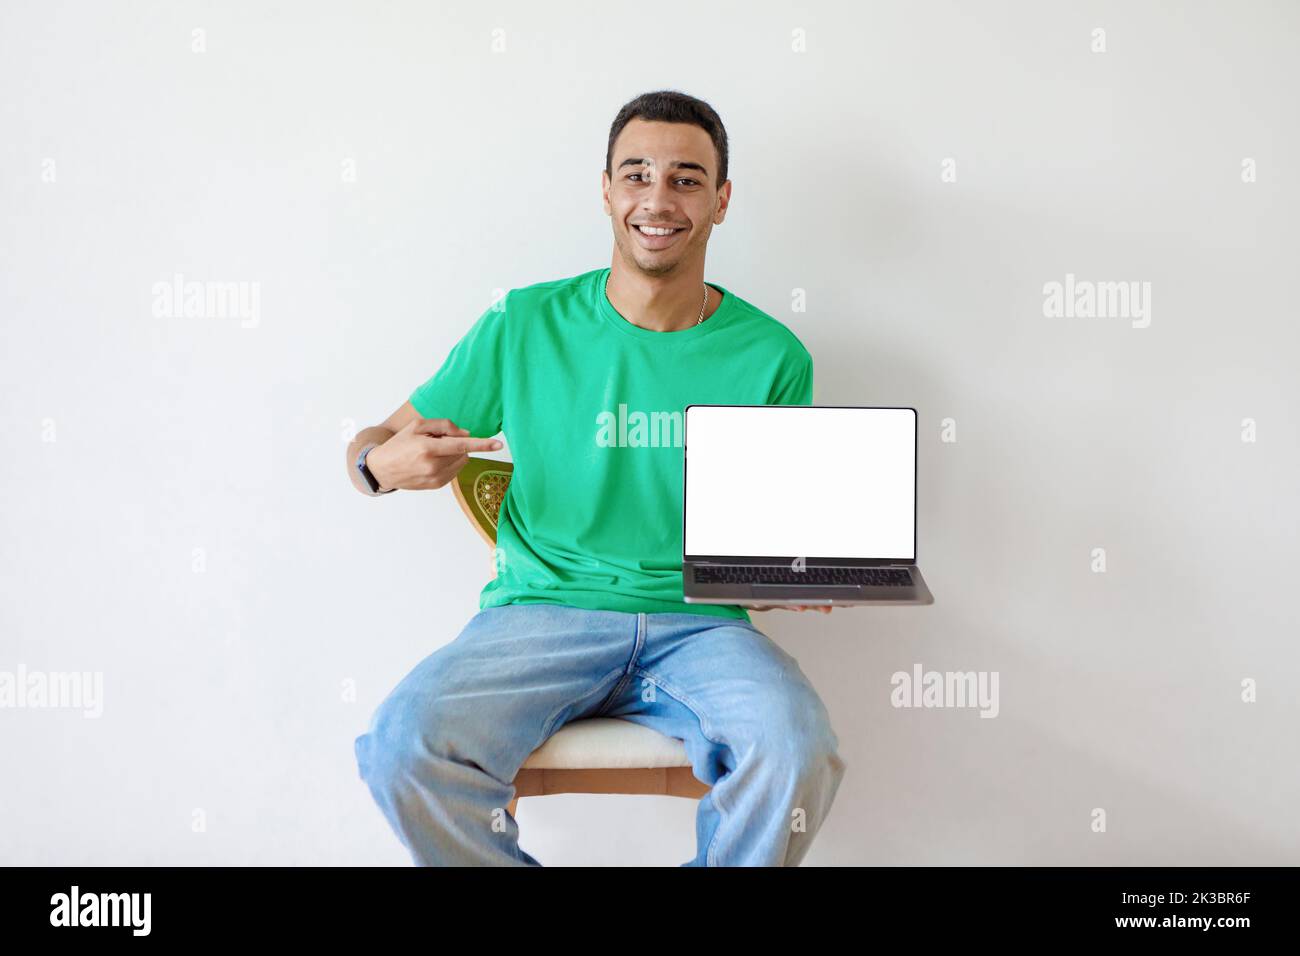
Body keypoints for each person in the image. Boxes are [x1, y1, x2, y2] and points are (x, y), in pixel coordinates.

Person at [348, 90, 846, 865]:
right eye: (637, 174)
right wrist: (380, 466)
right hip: (538, 616)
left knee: (796, 751)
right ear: (606, 189)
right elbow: (375, 440)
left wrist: (783, 568)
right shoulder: (522, 323)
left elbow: (765, 530)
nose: (658, 198)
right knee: (402, 747)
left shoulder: (774, 355)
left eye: (686, 179)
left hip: (702, 626)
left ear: (721, 201)